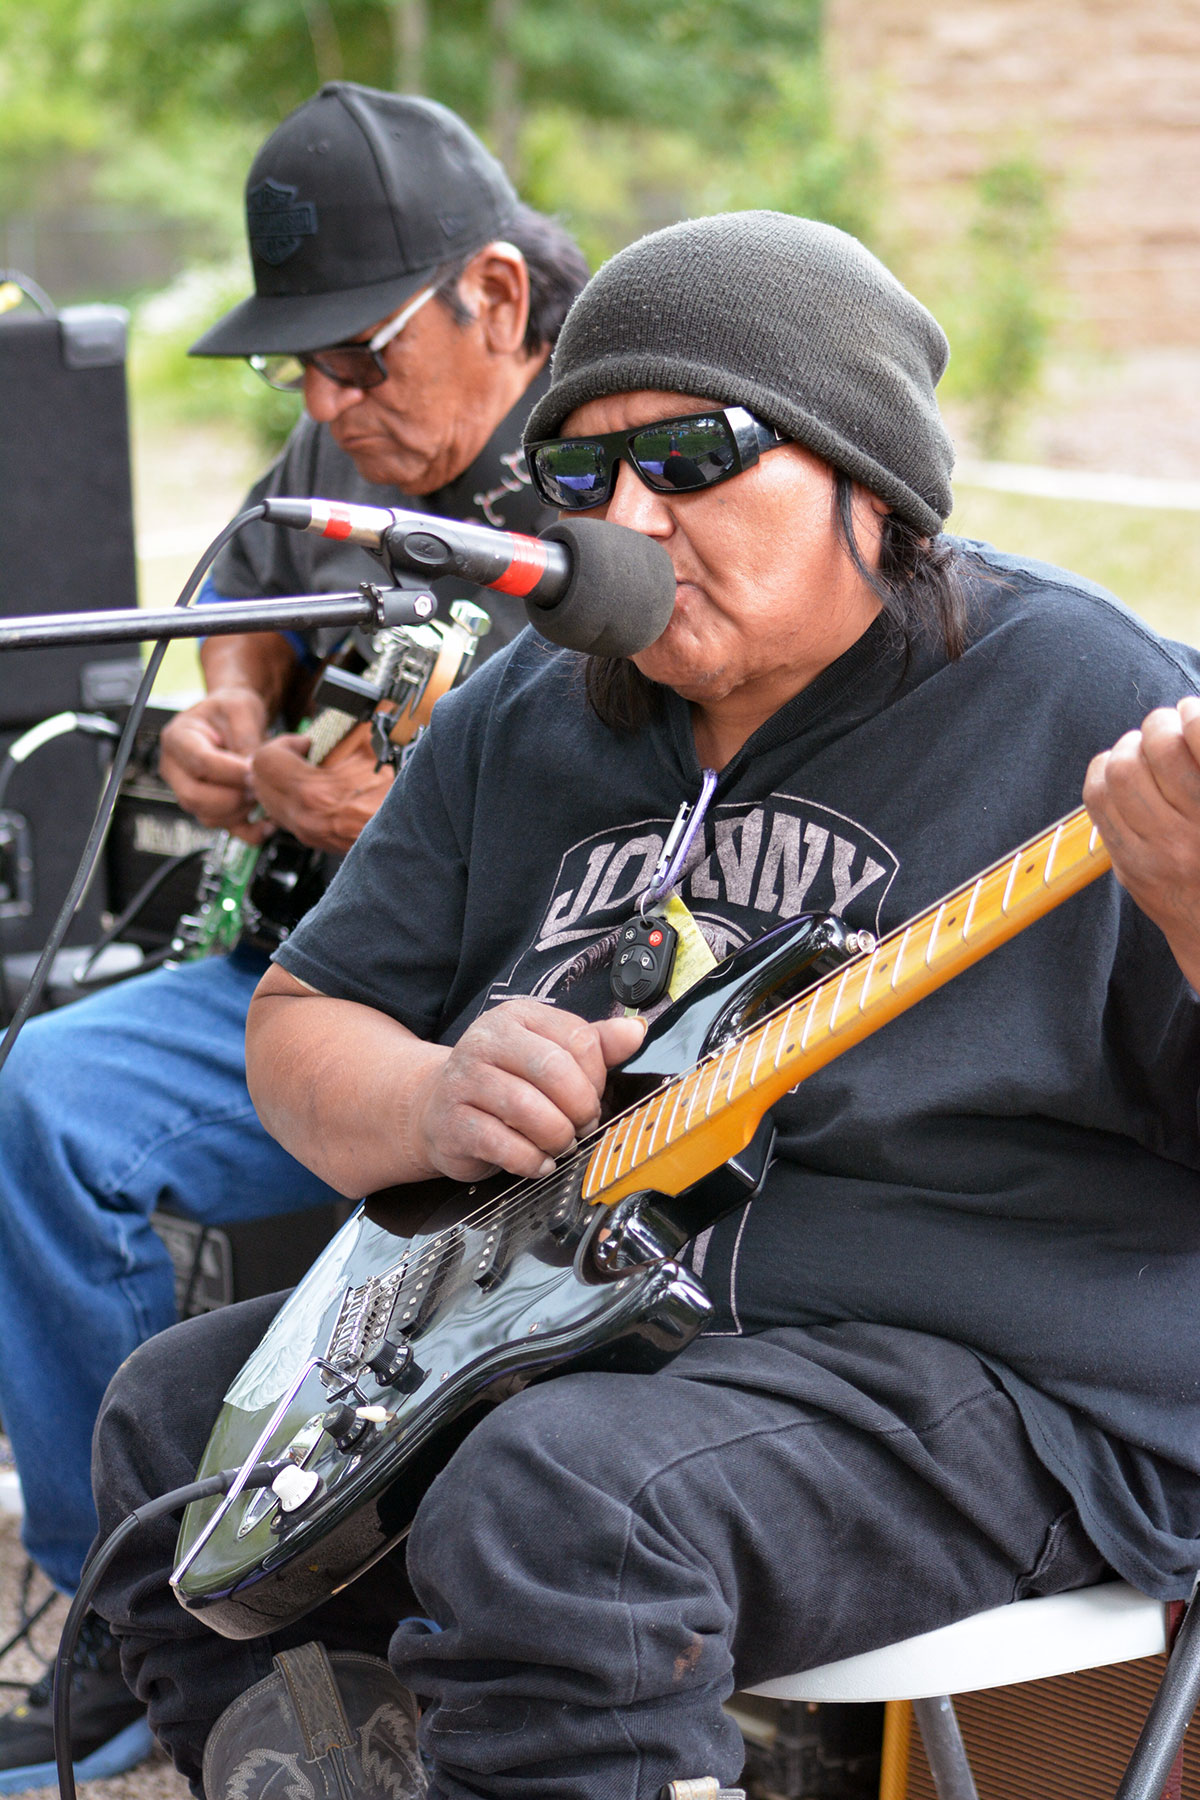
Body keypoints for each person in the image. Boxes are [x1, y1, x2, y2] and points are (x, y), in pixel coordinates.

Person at [90, 211, 1200, 1800]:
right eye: (580, 476)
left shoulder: (1083, 701)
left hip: (994, 1373)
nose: (627, 515)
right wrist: (427, 1099)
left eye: (689, 456)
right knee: (181, 1427)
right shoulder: (527, 714)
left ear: (866, 482)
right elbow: (303, 1017)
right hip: (606, 1334)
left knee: (569, 1507)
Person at [0, 80, 585, 1786]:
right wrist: (228, 719)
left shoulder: (621, 463)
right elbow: (244, 573)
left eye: (359, 360)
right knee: (44, 1093)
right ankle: (116, 1630)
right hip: (310, 968)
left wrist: (415, 819)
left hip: (515, 1020)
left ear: (494, 294)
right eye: (298, 371)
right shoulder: (349, 432)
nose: (328, 402)